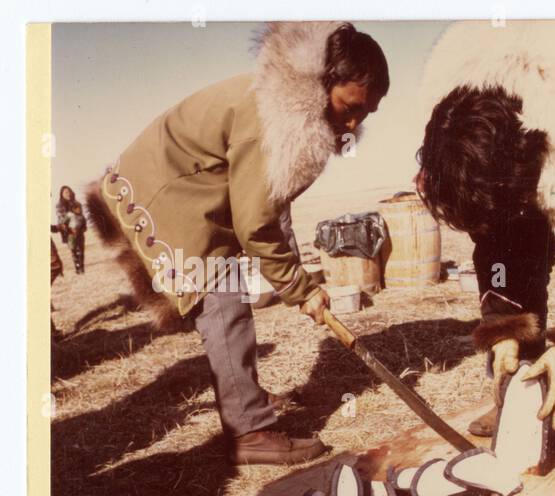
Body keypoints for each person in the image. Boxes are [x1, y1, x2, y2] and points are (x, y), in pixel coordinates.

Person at [86, 22, 388, 465]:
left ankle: (243, 400)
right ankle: (250, 432)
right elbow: (255, 225)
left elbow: (272, 204)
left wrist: (296, 284)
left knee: (225, 290)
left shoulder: (289, 111)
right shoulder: (273, 120)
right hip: (169, 197)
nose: (353, 122)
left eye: (366, 114)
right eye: (349, 106)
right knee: (223, 297)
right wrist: (300, 289)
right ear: (323, 82)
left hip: (178, 187)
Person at [417, 20, 555, 475]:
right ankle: (526, 401)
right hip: (523, 161)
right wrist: (503, 330)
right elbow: (496, 245)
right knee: (511, 240)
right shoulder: (459, 126)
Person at [54, 186, 87, 274]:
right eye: (65, 192)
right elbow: (61, 219)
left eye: (69, 192)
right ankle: (77, 268)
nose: (67, 193)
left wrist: (83, 227)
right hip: (68, 232)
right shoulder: (59, 205)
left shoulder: (77, 203)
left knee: (81, 249)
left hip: (79, 230)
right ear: (61, 195)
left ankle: (81, 268)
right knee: (74, 250)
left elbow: (82, 217)